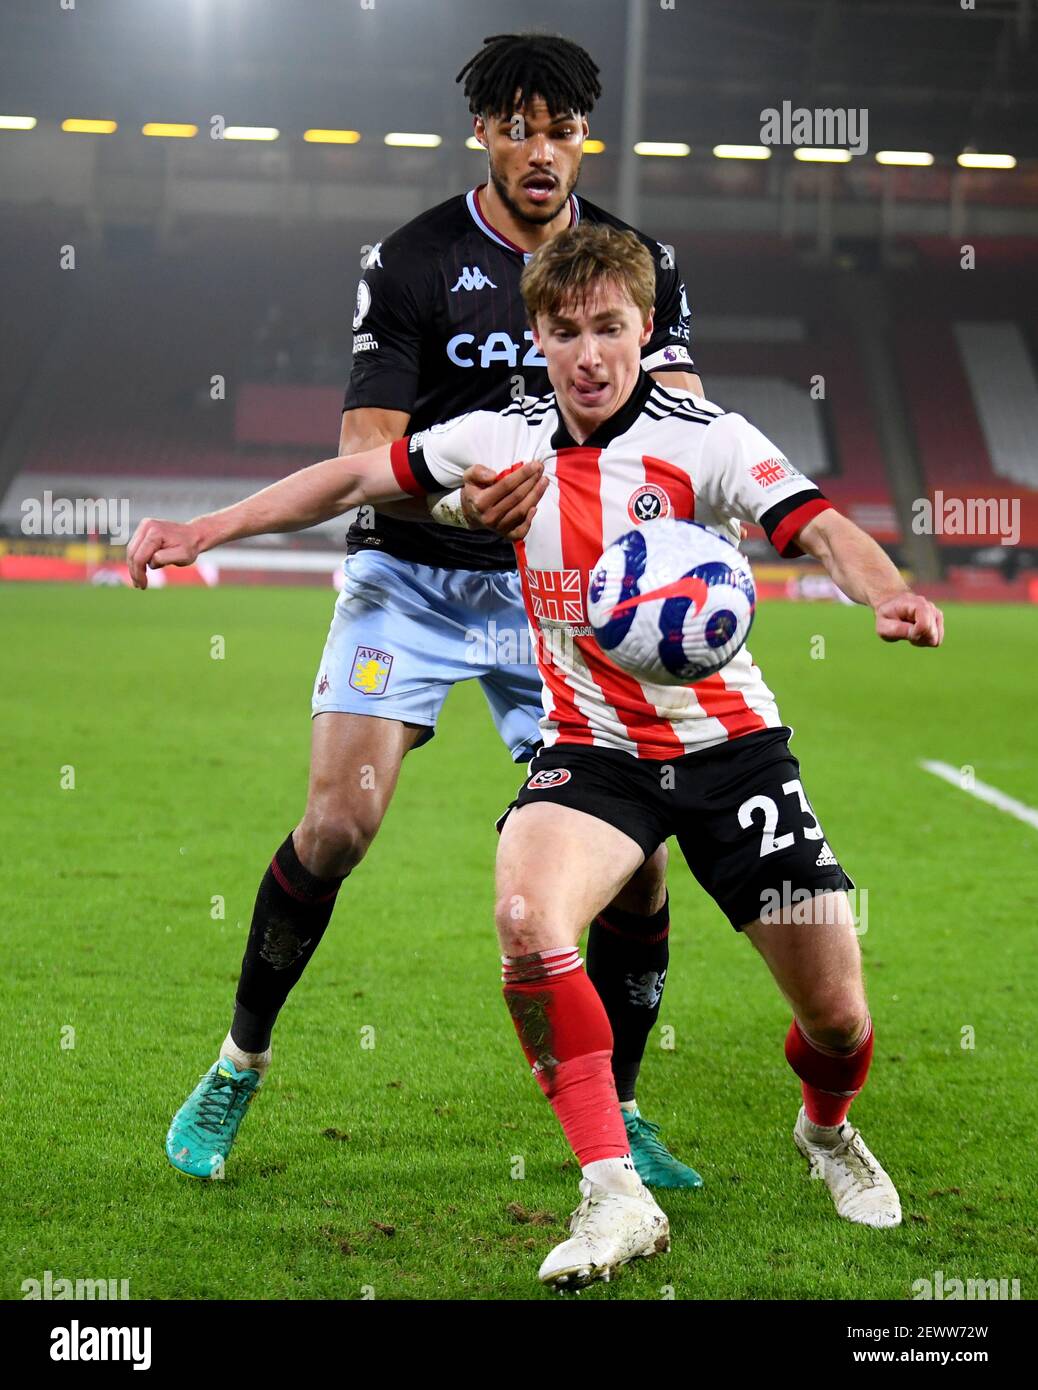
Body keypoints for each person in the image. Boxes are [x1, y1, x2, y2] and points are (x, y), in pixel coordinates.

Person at [128, 222, 944, 1290]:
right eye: (566, 332)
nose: (590, 353)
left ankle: (826, 1133)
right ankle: (613, 1192)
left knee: (838, 1018)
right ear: (540, 339)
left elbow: (823, 527)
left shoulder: (712, 441)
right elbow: (347, 482)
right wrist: (207, 530)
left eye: (610, 327)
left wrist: (888, 593)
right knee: (525, 915)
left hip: (731, 749)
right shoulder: (498, 440)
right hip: (594, 753)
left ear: (645, 330)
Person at [159, 32, 704, 1188]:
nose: (540, 150)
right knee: (337, 829)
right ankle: (237, 1062)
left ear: (582, 136)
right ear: (484, 134)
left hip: (555, 592)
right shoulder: (411, 259)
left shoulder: (634, 260)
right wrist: (463, 504)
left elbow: (683, 424)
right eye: (517, 126)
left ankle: (624, 1103)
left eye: (559, 129)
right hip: (408, 575)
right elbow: (363, 451)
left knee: (640, 866)